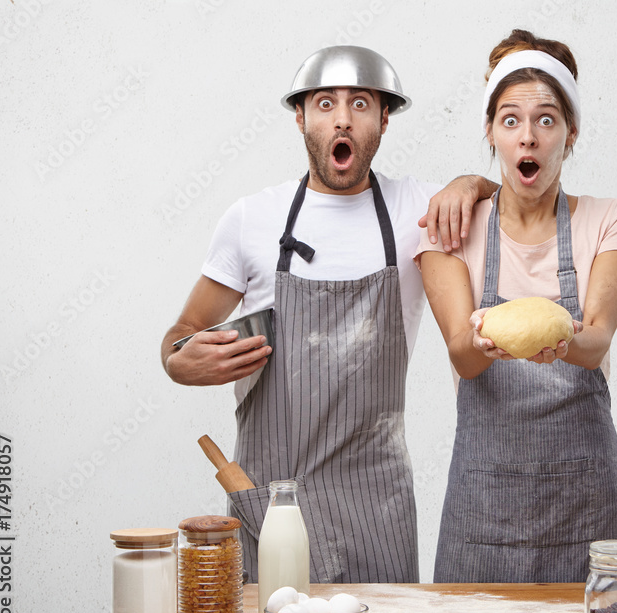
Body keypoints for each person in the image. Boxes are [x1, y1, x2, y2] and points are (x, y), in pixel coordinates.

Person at [160, 45, 495, 584]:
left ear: (384, 120)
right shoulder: (251, 219)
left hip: (377, 509)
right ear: (300, 117)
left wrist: (469, 183)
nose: (342, 118)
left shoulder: (417, 209)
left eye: (360, 103)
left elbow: (519, 205)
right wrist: (179, 362)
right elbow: (179, 337)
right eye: (324, 104)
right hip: (272, 504)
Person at [417, 30, 617, 583]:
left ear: (570, 135)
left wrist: (563, 339)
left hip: (587, 505)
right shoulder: (451, 228)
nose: (529, 138)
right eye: (511, 120)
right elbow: (463, 357)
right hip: (483, 508)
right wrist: (481, 341)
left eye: (547, 120)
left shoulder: (611, 221)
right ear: (491, 133)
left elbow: (594, 344)